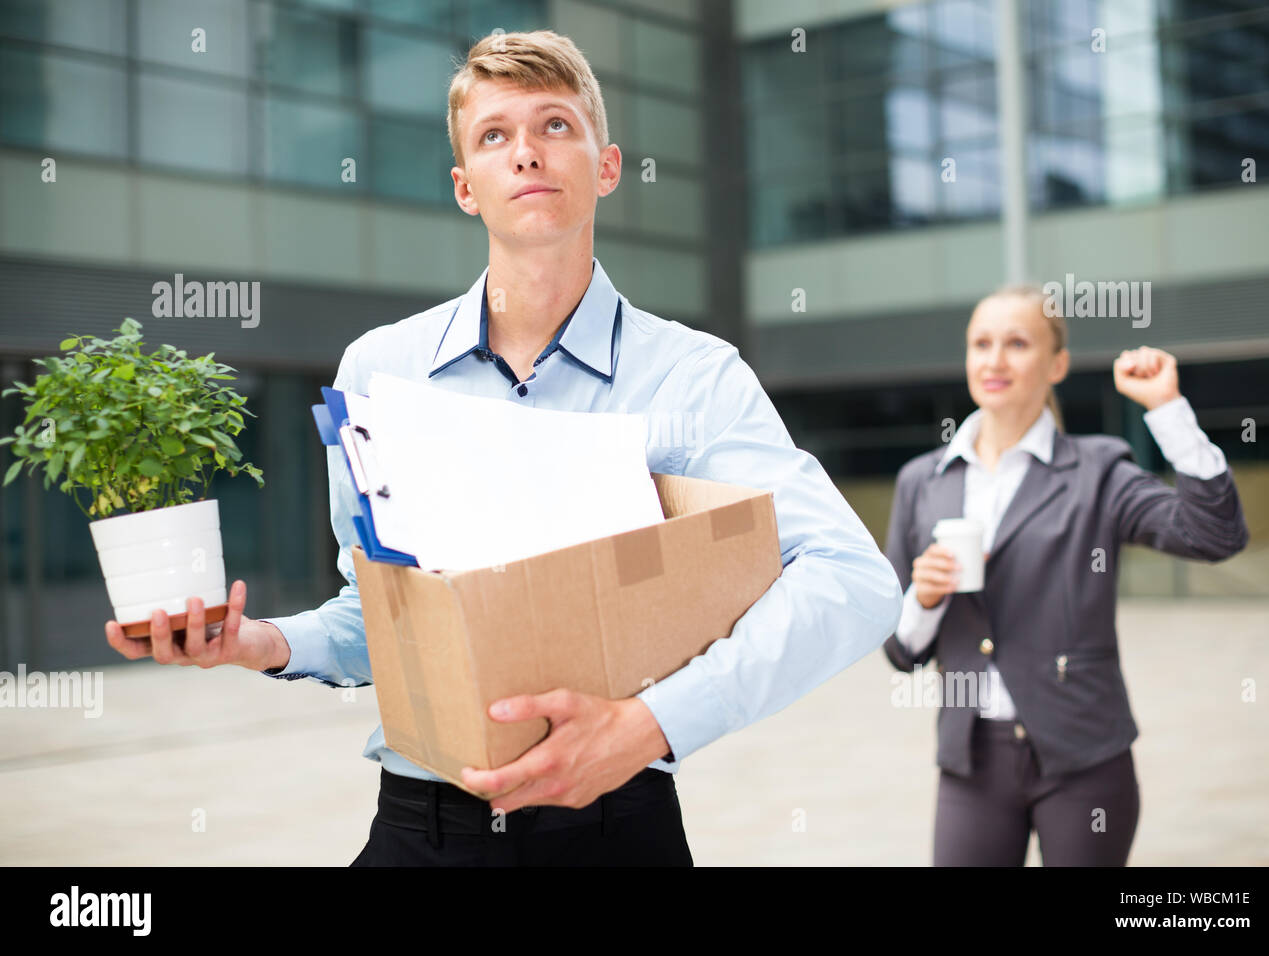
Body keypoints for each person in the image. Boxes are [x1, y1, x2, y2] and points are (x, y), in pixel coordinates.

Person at [104, 30, 904, 866]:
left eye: (556, 125)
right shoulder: (381, 372)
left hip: (613, 825)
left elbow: (851, 578)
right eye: (494, 135)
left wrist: (653, 723)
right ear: (465, 187)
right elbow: (382, 618)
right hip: (421, 829)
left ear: (606, 166)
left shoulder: (694, 378)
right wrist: (263, 643)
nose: (526, 152)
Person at [881, 284, 1248, 866]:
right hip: (971, 761)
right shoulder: (920, 481)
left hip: (1085, 758)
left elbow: (1215, 536)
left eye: (1017, 343)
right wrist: (923, 600)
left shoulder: (1098, 469)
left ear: (1057, 364)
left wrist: (1167, 411)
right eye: (981, 343)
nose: (995, 360)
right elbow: (900, 651)